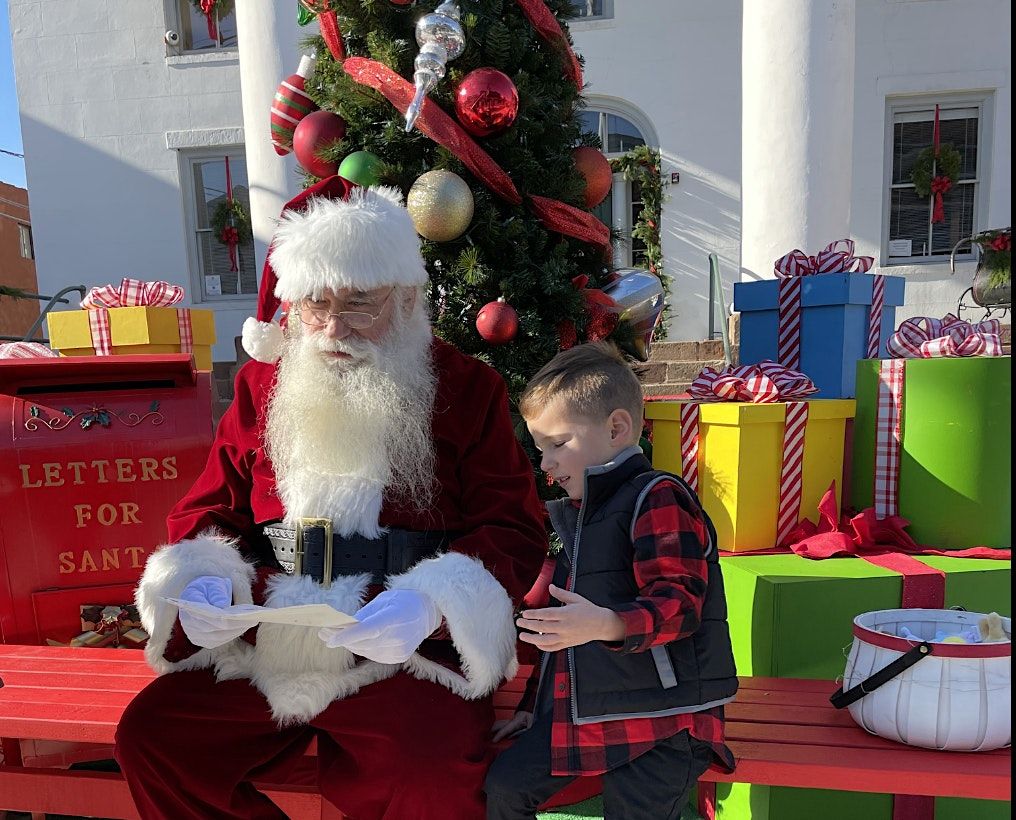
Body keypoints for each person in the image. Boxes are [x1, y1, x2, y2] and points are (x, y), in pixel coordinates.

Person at [114, 177, 548, 819]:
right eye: (315, 304)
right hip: (268, 638)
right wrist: (205, 581)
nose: (333, 326)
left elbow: (512, 526)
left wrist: (431, 604)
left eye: (360, 303)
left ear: (405, 299)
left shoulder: (464, 388)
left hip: (400, 650)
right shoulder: (263, 388)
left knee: (431, 775)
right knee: (155, 739)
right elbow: (211, 508)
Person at [484, 342, 738, 820]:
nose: (546, 465)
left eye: (558, 445)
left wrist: (606, 623)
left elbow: (682, 606)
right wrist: (534, 707)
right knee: (505, 787)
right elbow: (562, 629)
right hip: (589, 711)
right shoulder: (582, 516)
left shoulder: (656, 498)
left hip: (663, 719)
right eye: (540, 449)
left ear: (617, 428)